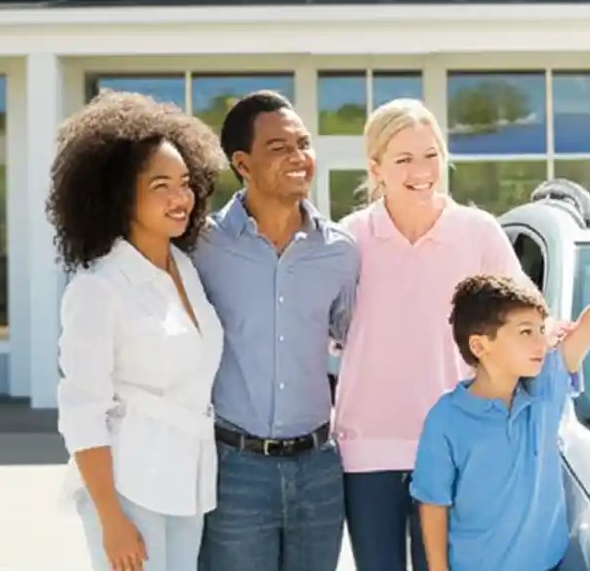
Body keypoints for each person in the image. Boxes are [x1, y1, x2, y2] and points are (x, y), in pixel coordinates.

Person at [333, 99, 532, 571]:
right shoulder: (348, 239)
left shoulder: (478, 232)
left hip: (456, 445)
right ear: (375, 167)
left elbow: (525, 324)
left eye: (431, 155)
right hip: (368, 449)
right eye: (403, 159)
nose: (421, 171)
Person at [51, 91, 229, 571]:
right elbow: (81, 411)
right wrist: (110, 518)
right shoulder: (98, 289)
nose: (181, 198)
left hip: (189, 481)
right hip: (130, 485)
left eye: (186, 183)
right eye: (160, 186)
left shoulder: (185, 269)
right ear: (119, 195)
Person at [191, 90, 360, 571]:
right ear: (242, 163)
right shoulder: (203, 247)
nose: (298, 157)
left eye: (303, 144)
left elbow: (354, 342)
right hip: (234, 470)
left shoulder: (341, 253)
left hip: (318, 466)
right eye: (279, 147)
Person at [410, 257, 590, 571]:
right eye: (525, 332)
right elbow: (434, 503)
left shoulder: (544, 392)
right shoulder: (446, 419)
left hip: (548, 565)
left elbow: (589, 327)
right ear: (479, 345)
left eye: (542, 330)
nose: (541, 343)